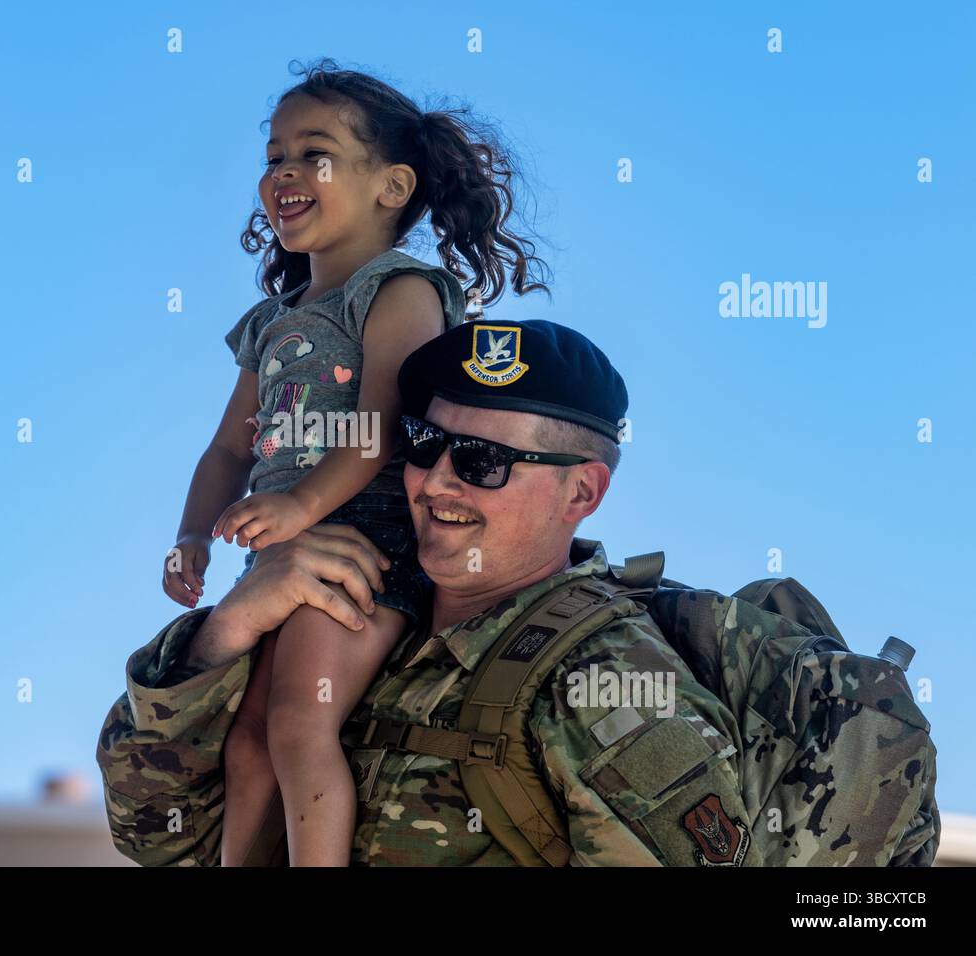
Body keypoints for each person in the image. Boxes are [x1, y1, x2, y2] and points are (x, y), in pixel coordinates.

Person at [105, 318, 775, 866]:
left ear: (583, 491)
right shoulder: (354, 630)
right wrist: (226, 632)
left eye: (484, 461)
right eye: (425, 444)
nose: (436, 481)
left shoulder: (608, 686)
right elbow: (156, 833)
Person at [160, 60, 550, 866]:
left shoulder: (398, 288)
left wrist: (300, 510)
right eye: (274, 157)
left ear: (392, 185)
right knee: (247, 747)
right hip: (282, 554)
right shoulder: (269, 322)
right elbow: (231, 446)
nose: (286, 173)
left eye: (315, 153)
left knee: (301, 725)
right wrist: (194, 534)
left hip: (360, 546)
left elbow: (377, 430)